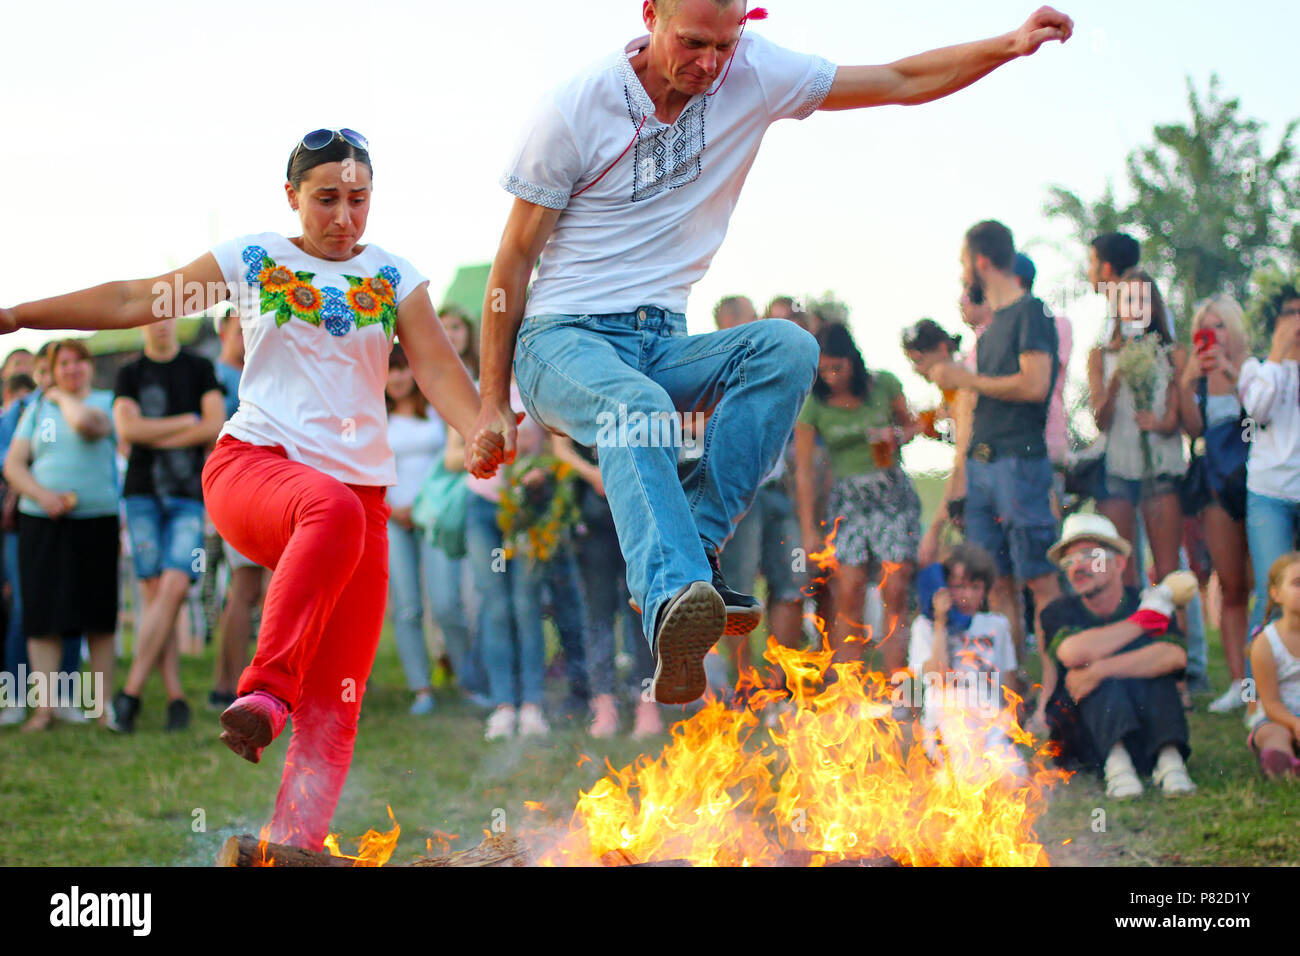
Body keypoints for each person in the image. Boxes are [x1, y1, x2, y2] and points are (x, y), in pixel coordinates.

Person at [475, 0, 1073, 704]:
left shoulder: (755, 72)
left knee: (788, 347)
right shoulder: (575, 109)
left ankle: (696, 559)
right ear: (651, 13)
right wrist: (491, 401)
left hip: (661, 341)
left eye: (724, 45)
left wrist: (1008, 44)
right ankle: (669, 600)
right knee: (638, 406)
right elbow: (513, 261)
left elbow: (899, 80)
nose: (708, 64)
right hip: (561, 340)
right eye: (692, 43)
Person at [0, 129, 492, 851]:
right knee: (327, 508)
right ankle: (264, 689)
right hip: (254, 469)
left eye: (359, 200)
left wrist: (479, 427)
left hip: (360, 503)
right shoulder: (254, 258)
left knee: (339, 701)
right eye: (326, 199)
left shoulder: (394, 276)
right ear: (291, 195)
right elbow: (136, 297)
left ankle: (289, 849)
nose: (344, 218)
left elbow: (439, 369)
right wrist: (16, 317)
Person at [917, 221, 1062, 675]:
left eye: (964, 262)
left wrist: (966, 379)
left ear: (981, 261)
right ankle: (1009, 688)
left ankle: (1055, 694)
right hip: (981, 467)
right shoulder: (992, 327)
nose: (963, 272)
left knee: (1039, 578)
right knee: (993, 583)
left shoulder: (1032, 312)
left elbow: (1035, 385)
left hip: (1019, 463)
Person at [108, 317, 226, 732]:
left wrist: (152, 434)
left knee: (175, 586)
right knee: (157, 594)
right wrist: (184, 423)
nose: (160, 325)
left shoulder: (199, 367)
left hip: (188, 495)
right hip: (141, 494)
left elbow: (214, 425)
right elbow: (127, 428)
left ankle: (131, 693)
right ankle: (176, 698)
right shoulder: (129, 371)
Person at [2, 339, 119, 731]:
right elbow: (14, 465)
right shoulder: (36, 411)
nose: (71, 368)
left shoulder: (106, 402)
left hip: (97, 520)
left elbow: (89, 427)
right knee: (42, 616)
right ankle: (44, 709)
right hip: (42, 522)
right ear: (53, 370)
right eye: (63, 363)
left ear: (90, 366)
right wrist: (43, 496)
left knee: (99, 617)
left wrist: (61, 397)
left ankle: (102, 708)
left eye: (77, 361)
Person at [1039, 513, 1197, 797]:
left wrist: (1100, 669)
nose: (1077, 567)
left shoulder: (1146, 600)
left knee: (1145, 671)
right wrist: (1144, 621)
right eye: (1069, 562)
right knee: (1100, 675)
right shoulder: (1057, 611)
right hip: (1085, 738)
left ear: (1119, 563)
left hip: (1144, 727)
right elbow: (1073, 653)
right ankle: (1118, 766)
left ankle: (1170, 761)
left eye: (1090, 556)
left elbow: (1174, 656)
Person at [796, 323, 921, 676]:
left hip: (891, 496)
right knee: (848, 590)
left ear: (853, 359)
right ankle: (848, 684)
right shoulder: (813, 404)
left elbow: (914, 426)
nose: (831, 377)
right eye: (824, 370)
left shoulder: (884, 385)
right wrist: (808, 529)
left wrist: (897, 435)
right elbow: (804, 472)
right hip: (848, 502)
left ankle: (896, 680)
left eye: (838, 367)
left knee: (895, 589)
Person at [711, 296, 806, 686]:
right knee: (738, 592)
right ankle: (745, 686)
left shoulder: (768, 364)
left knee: (792, 584)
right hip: (739, 497)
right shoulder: (713, 372)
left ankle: (779, 685)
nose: (760, 324)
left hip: (779, 493)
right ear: (729, 322)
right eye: (752, 318)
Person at [1086, 268, 1187, 594]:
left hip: (1160, 468)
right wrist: (1118, 376)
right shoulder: (1101, 356)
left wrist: (1158, 423)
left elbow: (1177, 418)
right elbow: (1100, 420)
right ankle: (1131, 624)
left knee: (1168, 573)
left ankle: (1173, 626)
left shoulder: (1172, 354)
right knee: (1123, 571)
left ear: (1155, 306)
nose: (1136, 307)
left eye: (1143, 300)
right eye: (1128, 299)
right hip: (1117, 470)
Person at [1179, 295, 1252, 713]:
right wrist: (1188, 382)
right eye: (1205, 328)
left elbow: (1263, 414)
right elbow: (1193, 430)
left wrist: (1231, 371)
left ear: (1235, 328)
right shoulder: (1198, 379)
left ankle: (1275, 680)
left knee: (1269, 584)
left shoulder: (1255, 367)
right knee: (1231, 585)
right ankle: (1242, 685)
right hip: (1216, 488)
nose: (1214, 335)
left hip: (1259, 481)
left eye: (1220, 325)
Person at [907, 541, 1018, 773]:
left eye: (975, 587)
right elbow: (937, 677)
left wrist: (1011, 722)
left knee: (1010, 775)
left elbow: (1007, 682)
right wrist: (941, 621)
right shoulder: (925, 627)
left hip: (988, 719)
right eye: (958, 587)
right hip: (947, 717)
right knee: (966, 774)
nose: (967, 595)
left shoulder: (997, 625)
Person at [208, 305, 268, 711]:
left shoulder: (260, 372)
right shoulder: (217, 378)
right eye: (240, 326)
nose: (248, 333)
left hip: (269, 487)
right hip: (239, 490)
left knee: (254, 589)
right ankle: (229, 685)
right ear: (223, 331)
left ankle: (237, 685)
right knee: (245, 588)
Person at [1238, 284, 1300, 667]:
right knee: (1270, 591)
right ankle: (1253, 692)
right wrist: (1277, 355)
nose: (1297, 323)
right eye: (1290, 314)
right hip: (1269, 494)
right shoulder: (1256, 368)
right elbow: (1257, 411)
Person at [384, 342, 447, 715]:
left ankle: (466, 677)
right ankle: (421, 688)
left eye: (402, 368)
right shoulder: (375, 419)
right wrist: (392, 509)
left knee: (446, 603)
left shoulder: (437, 411)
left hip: (434, 517)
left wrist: (421, 506)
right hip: (393, 519)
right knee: (407, 607)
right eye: (389, 370)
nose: (396, 377)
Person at [1247, 552, 1300, 778]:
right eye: (1297, 583)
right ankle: (1280, 763)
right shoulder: (1265, 642)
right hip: (1277, 716)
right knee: (1272, 734)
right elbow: (1270, 702)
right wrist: (1295, 723)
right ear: (1276, 593)